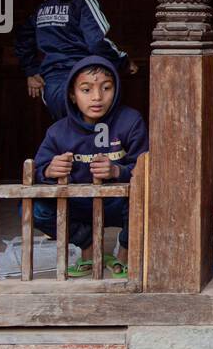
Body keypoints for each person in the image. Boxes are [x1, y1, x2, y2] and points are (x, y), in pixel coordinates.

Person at [31, 56, 147, 276]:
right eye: (86, 90)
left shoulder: (130, 121)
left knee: (148, 203)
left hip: (118, 201)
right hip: (76, 203)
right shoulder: (57, 131)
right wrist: (48, 170)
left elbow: (147, 166)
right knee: (36, 209)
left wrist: (117, 170)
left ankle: (125, 251)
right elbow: (36, 171)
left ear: (117, 89)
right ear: (72, 95)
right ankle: (88, 248)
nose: (97, 97)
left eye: (106, 88)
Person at [14, 0, 136, 121]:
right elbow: (97, 42)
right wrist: (123, 61)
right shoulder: (84, 1)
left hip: (51, 87)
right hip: (85, 83)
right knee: (96, 138)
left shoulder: (45, 5)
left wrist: (31, 70)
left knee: (69, 134)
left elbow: (23, 37)